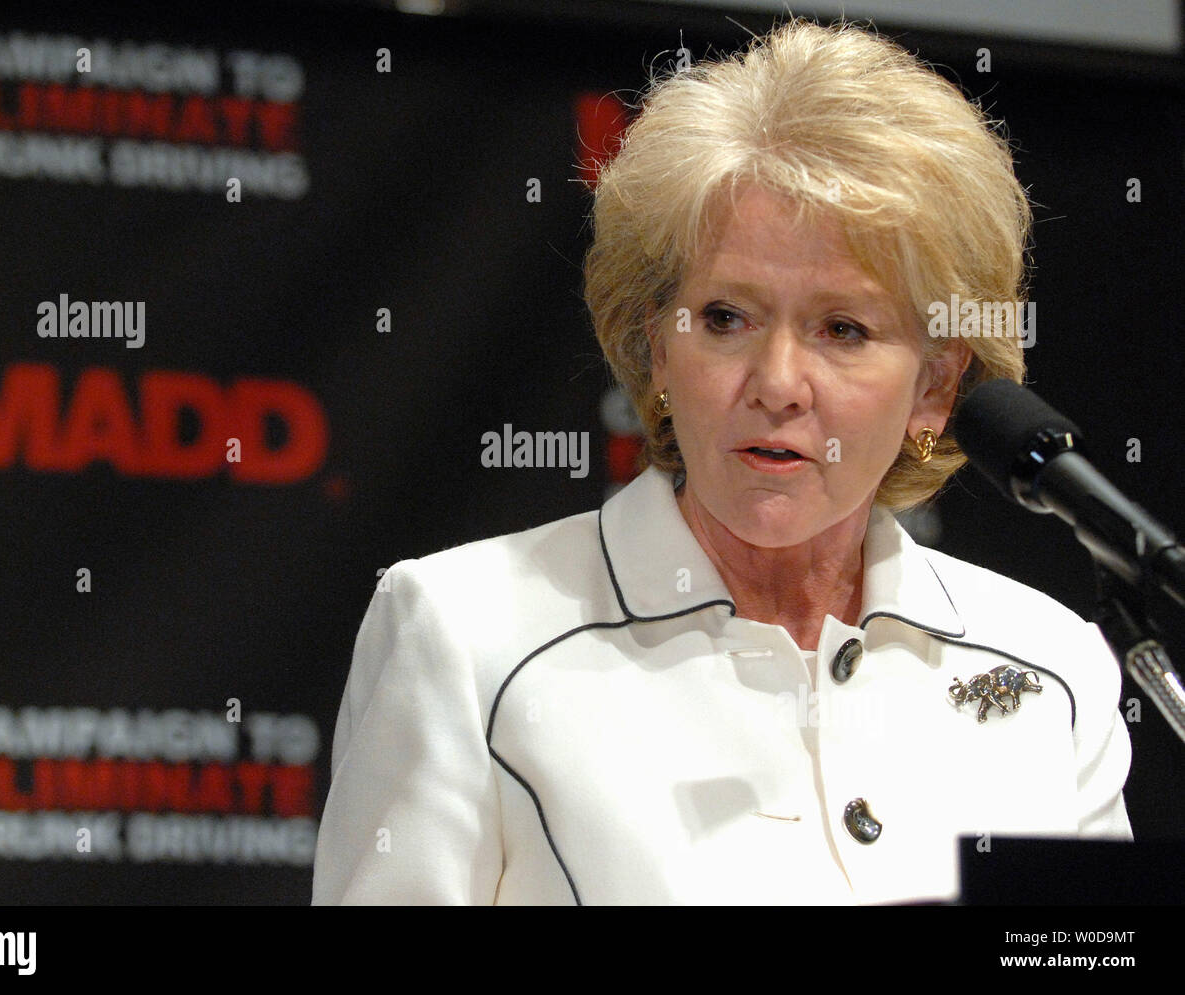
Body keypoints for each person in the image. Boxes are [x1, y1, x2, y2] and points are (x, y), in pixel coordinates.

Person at [311, 18, 1132, 905]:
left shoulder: (1050, 666)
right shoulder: (466, 636)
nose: (778, 383)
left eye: (843, 329)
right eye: (727, 318)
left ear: (936, 389)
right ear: (657, 349)